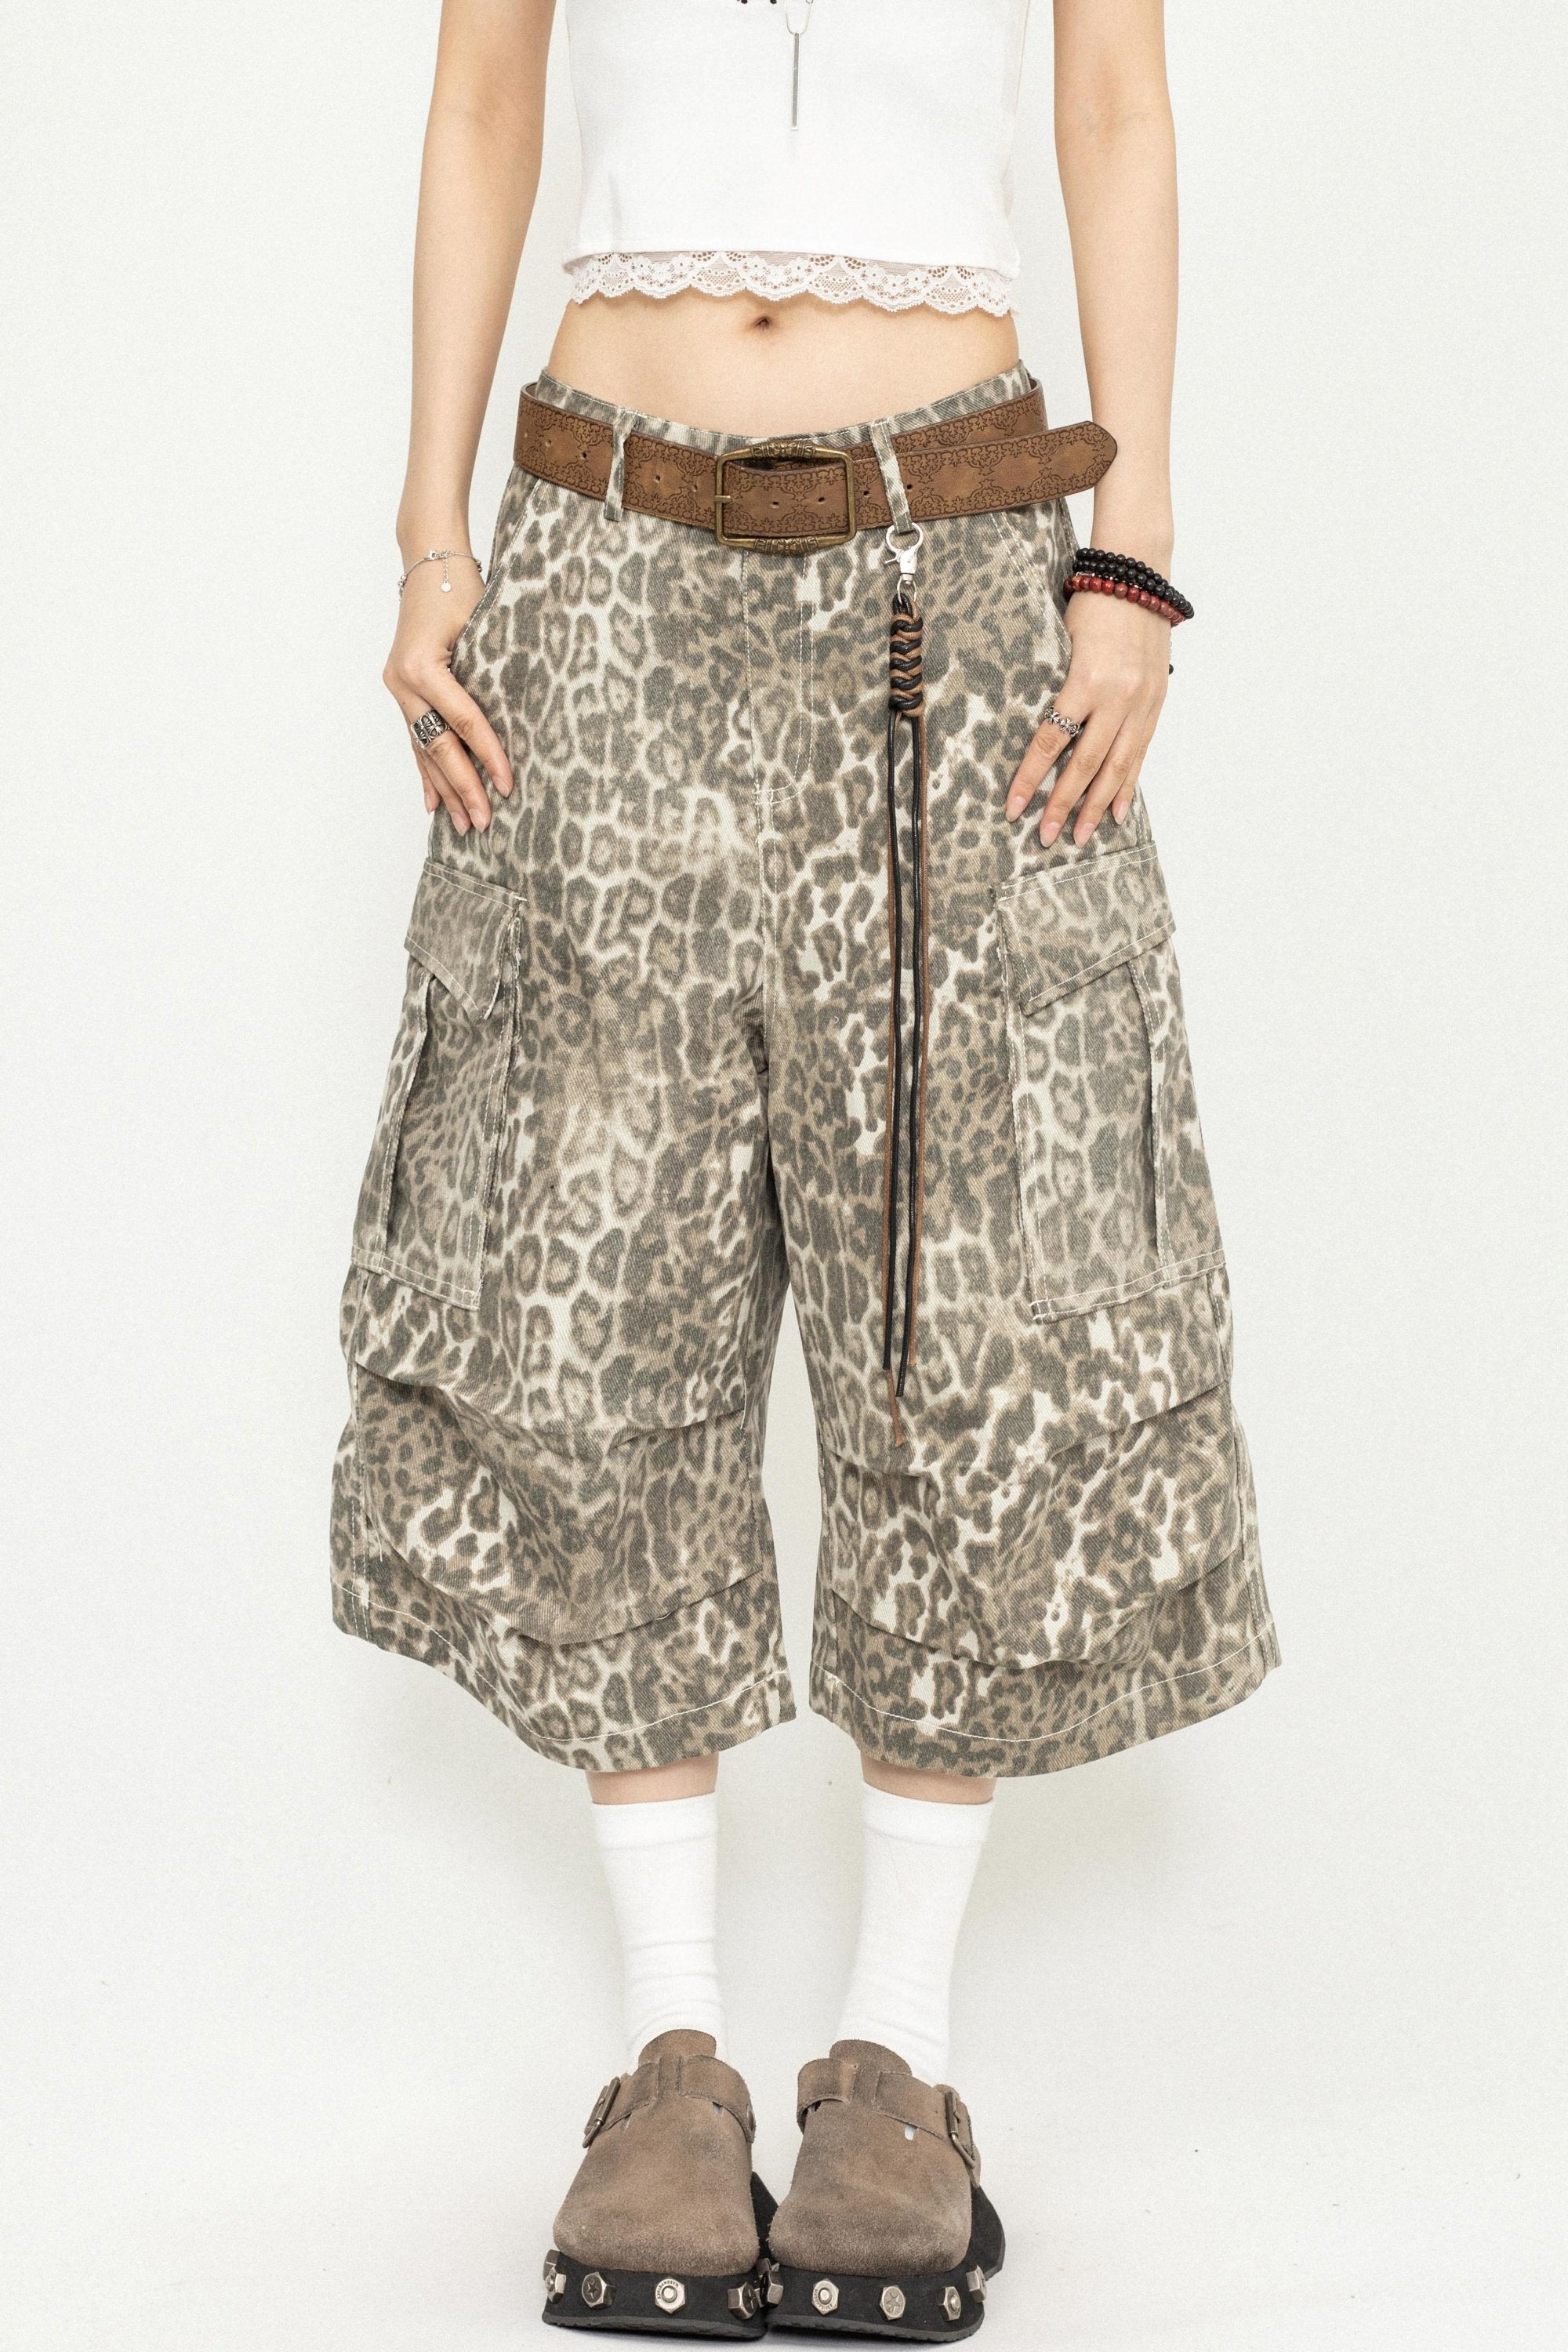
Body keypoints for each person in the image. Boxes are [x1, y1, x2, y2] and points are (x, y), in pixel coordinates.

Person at [332, 0, 1279, 2336]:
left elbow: (1115, 97)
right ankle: (673, 2059)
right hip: (600, 549)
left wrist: (1135, 545)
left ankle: (897, 2063)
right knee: (588, 1268)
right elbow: (481, 95)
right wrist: (433, 540)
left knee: (975, 1280)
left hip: (949, 556)